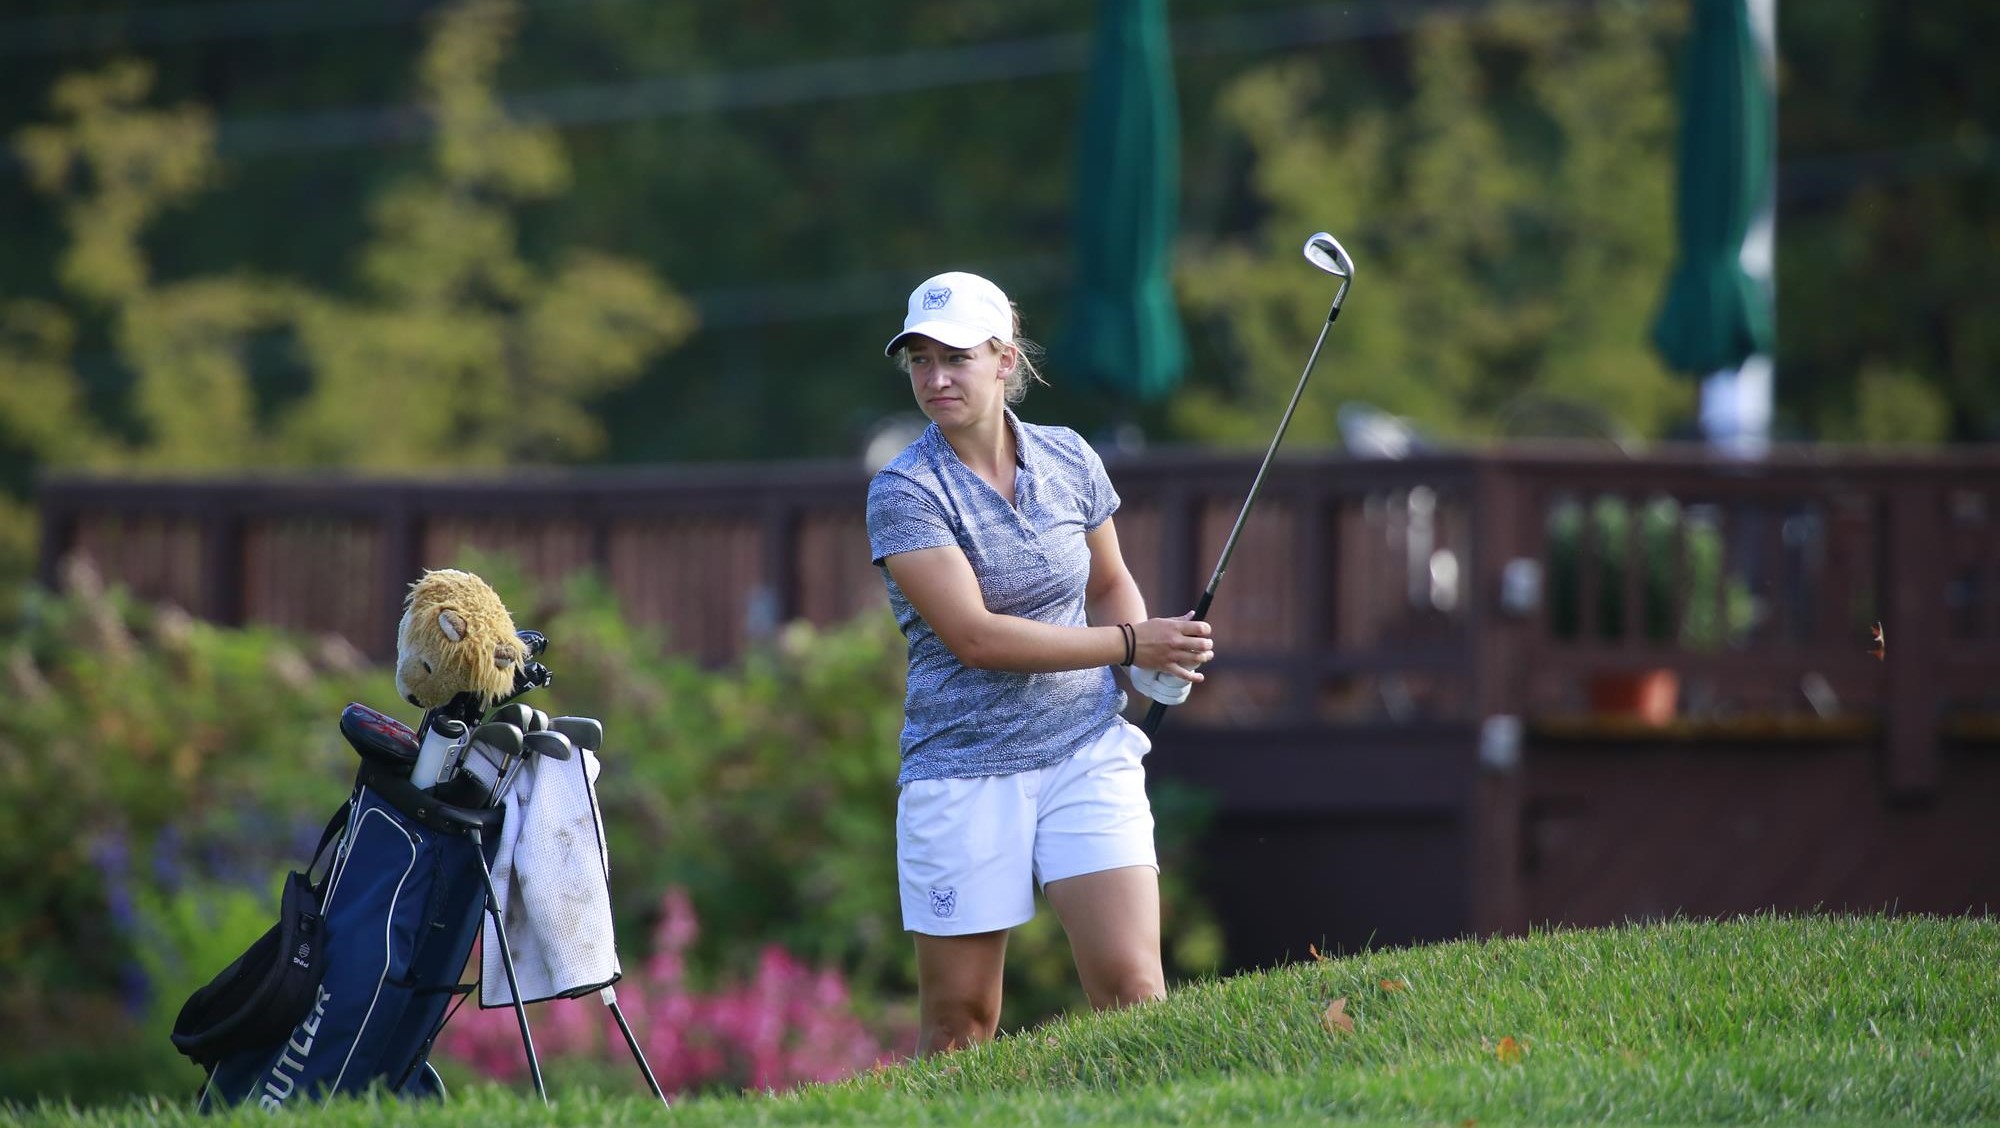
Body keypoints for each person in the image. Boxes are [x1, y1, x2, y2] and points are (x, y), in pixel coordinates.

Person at [864, 270, 1217, 1056]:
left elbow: (1110, 580)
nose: (936, 377)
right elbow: (977, 639)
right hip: (961, 772)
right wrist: (1132, 644)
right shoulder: (904, 491)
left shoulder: (1070, 457)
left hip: (1085, 752)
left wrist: (1148, 664)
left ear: (1004, 360)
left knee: (1135, 993)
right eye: (919, 360)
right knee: (962, 1024)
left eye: (955, 357)